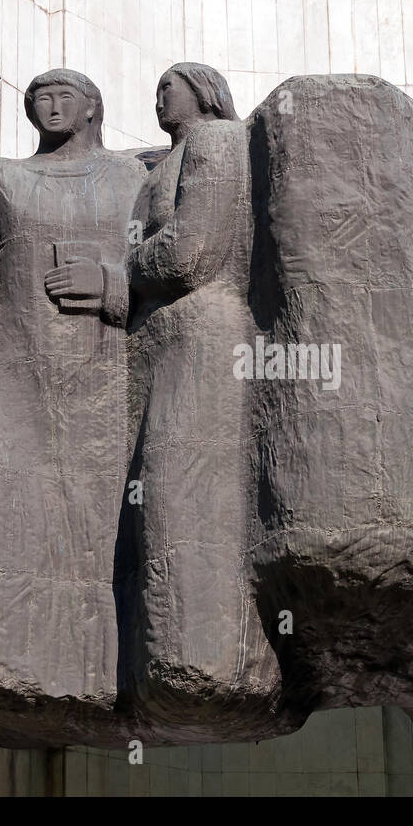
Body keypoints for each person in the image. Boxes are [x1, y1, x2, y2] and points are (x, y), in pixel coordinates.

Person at [47, 63, 292, 738]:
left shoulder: (216, 143)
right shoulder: (162, 165)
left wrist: (112, 275)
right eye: (153, 85)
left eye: (170, 84)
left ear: (204, 91)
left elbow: (191, 253)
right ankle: (160, 655)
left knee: (186, 497)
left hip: (200, 337)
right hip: (156, 339)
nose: (158, 94)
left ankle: (205, 658)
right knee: (149, 502)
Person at [0, 69, 146, 733]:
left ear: (95, 106)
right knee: (9, 520)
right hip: (19, 388)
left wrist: (110, 286)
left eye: (65, 93)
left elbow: (169, 274)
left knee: (99, 535)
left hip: (106, 385)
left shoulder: (133, 181)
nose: (50, 101)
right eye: (39, 95)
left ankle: (100, 673)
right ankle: (11, 665)